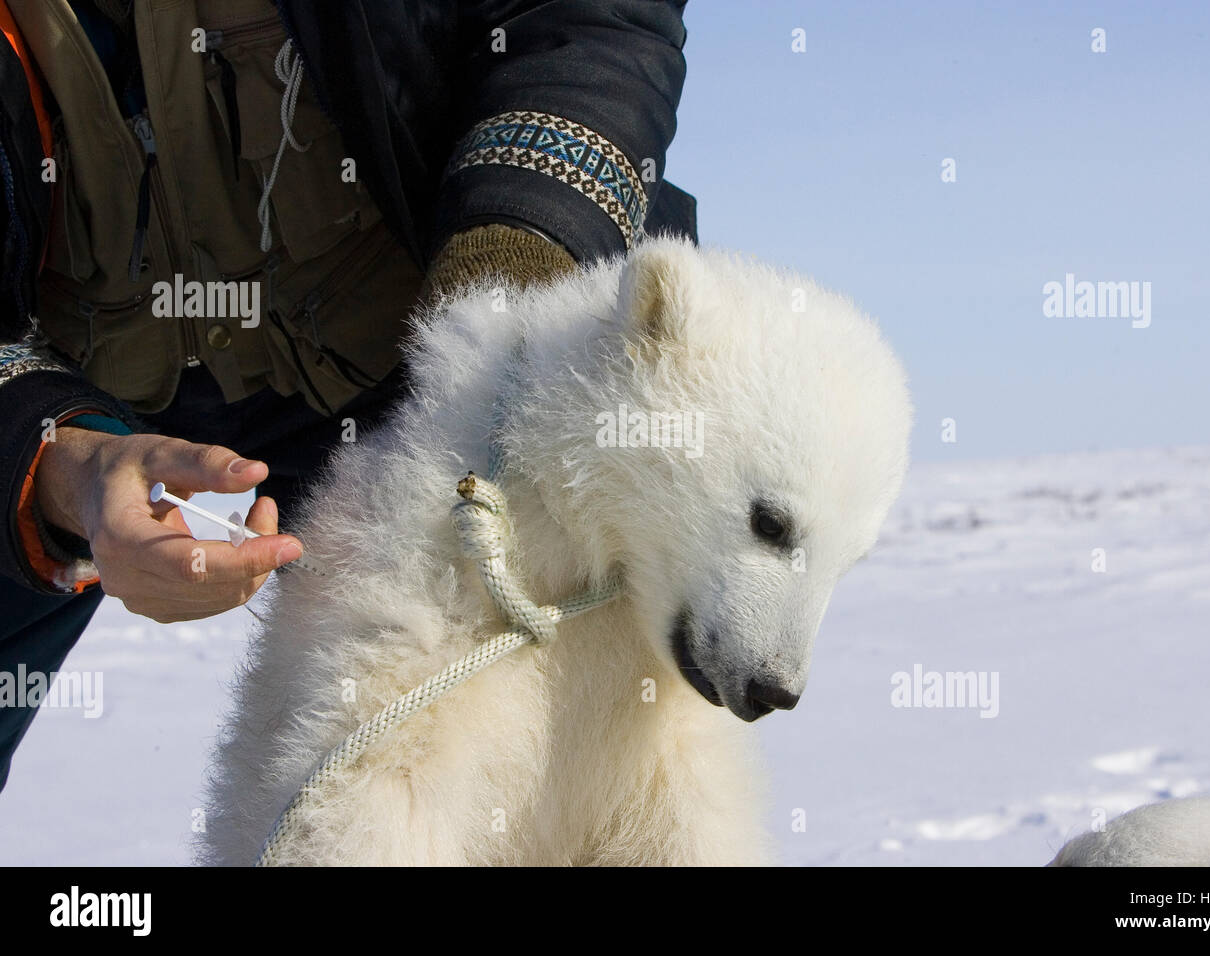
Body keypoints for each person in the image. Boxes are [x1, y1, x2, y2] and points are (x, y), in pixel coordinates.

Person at [0, 0, 697, 790]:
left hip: (418, 366)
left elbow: (583, 19)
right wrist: (63, 465)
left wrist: (503, 292)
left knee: (564, 764)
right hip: (52, 388)